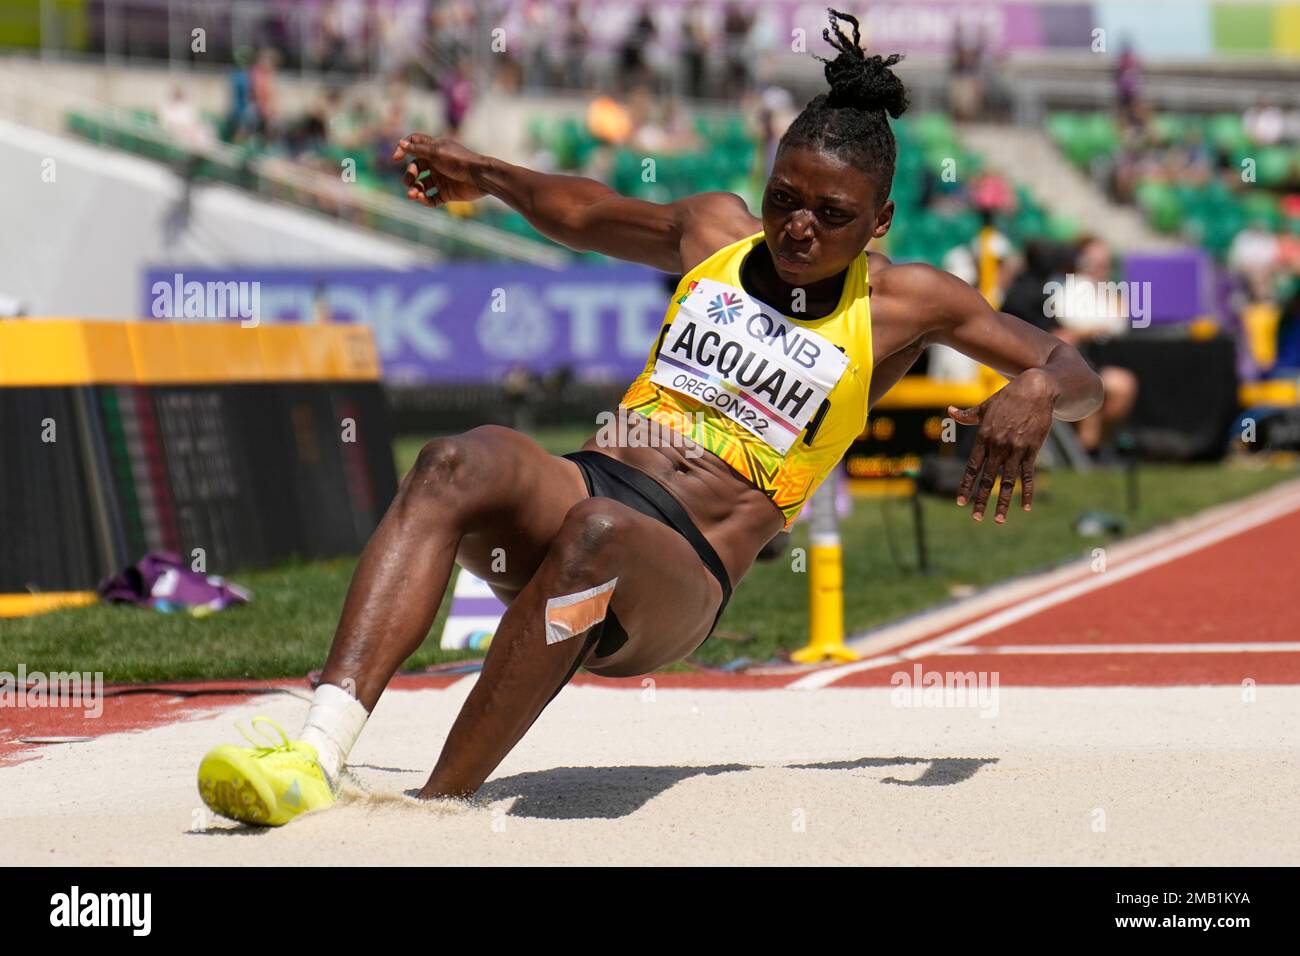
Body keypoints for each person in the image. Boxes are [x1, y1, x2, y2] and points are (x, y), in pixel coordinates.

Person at [196, 10, 1103, 826]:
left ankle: (434, 807)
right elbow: (584, 211)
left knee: (600, 531)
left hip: (680, 573)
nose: (798, 229)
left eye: (832, 215)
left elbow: (1078, 373)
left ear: (878, 222)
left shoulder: (909, 302)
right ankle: (316, 750)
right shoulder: (715, 233)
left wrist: (1034, 387)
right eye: (784, 198)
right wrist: (491, 176)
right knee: (449, 462)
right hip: (588, 484)